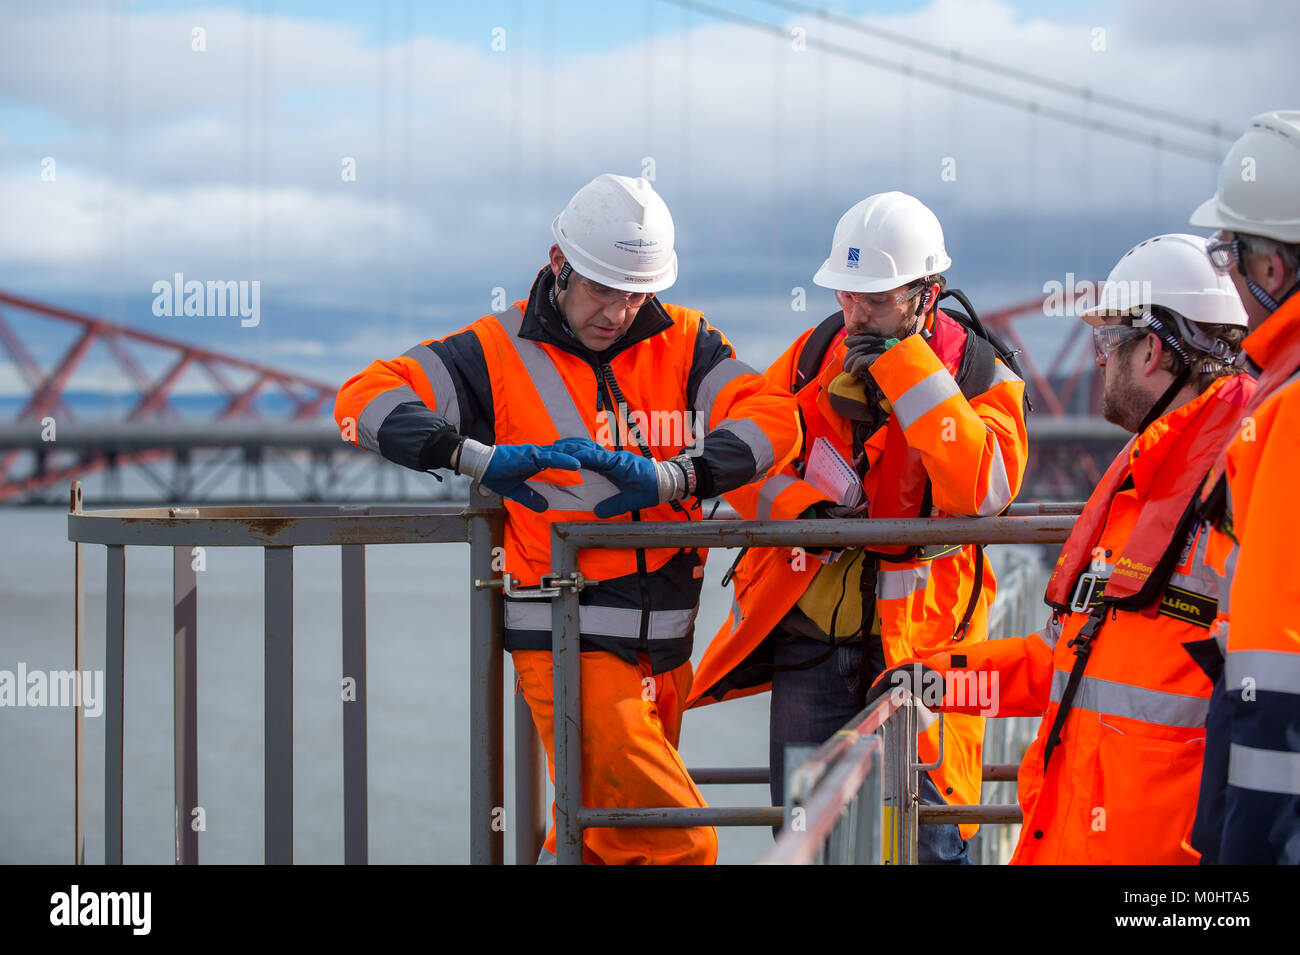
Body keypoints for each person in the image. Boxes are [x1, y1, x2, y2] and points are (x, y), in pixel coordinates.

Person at [335, 173, 800, 864]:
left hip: (668, 646)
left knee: (599, 840)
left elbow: (775, 420)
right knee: (681, 843)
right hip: (568, 637)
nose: (618, 311)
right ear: (559, 263)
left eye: (637, 292)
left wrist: (680, 475)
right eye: (603, 288)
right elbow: (361, 401)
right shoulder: (494, 350)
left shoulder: (687, 344)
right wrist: (471, 457)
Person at [871, 235, 1253, 863]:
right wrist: (935, 681)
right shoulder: (1140, 486)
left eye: (1107, 343)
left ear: (1153, 350)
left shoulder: (1236, 492)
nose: (1096, 361)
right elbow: (1067, 661)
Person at [688, 191, 1029, 863]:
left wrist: (902, 368)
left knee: (931, 839)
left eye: (875, 298)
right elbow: (749, 457)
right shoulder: (812, 357)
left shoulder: (980, 373)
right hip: (812, 643)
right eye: (847, 295)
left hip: (924, 647)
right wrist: (805, 515)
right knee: (807, 832)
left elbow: (985, 490)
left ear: (927, 295)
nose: (854, 313)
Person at [1187, 110, 1300, 864]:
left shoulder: (1289, 410)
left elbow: (1273, 667)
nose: (1222, 270)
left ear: (1270, 268)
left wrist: (1244, 852)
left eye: (1228, 250)